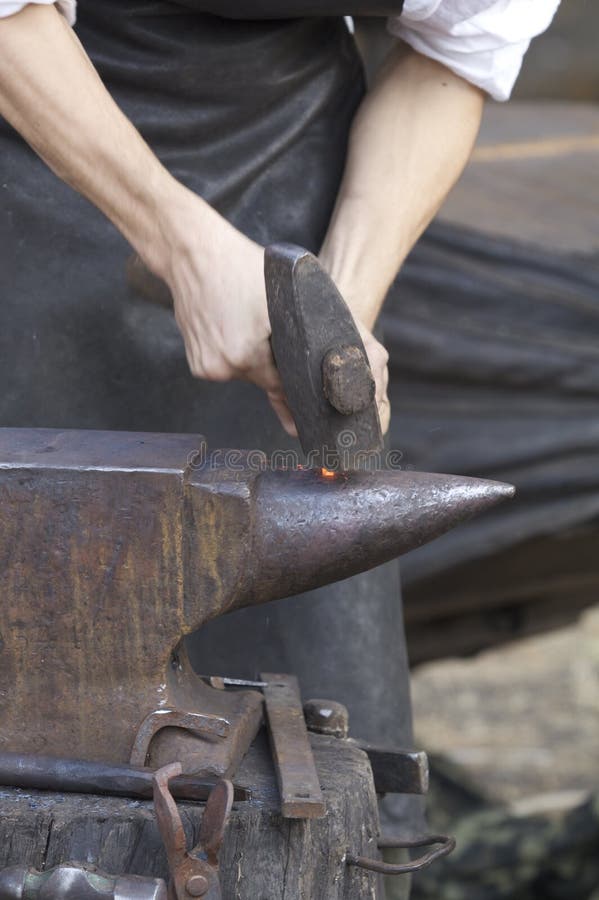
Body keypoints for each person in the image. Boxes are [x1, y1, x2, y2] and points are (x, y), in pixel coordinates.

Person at [0, 3, 560, 894]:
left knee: (321, 697)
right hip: (31, 152)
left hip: (288, 155)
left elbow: (449, 55)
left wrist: (335, 306)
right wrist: (180, 244)